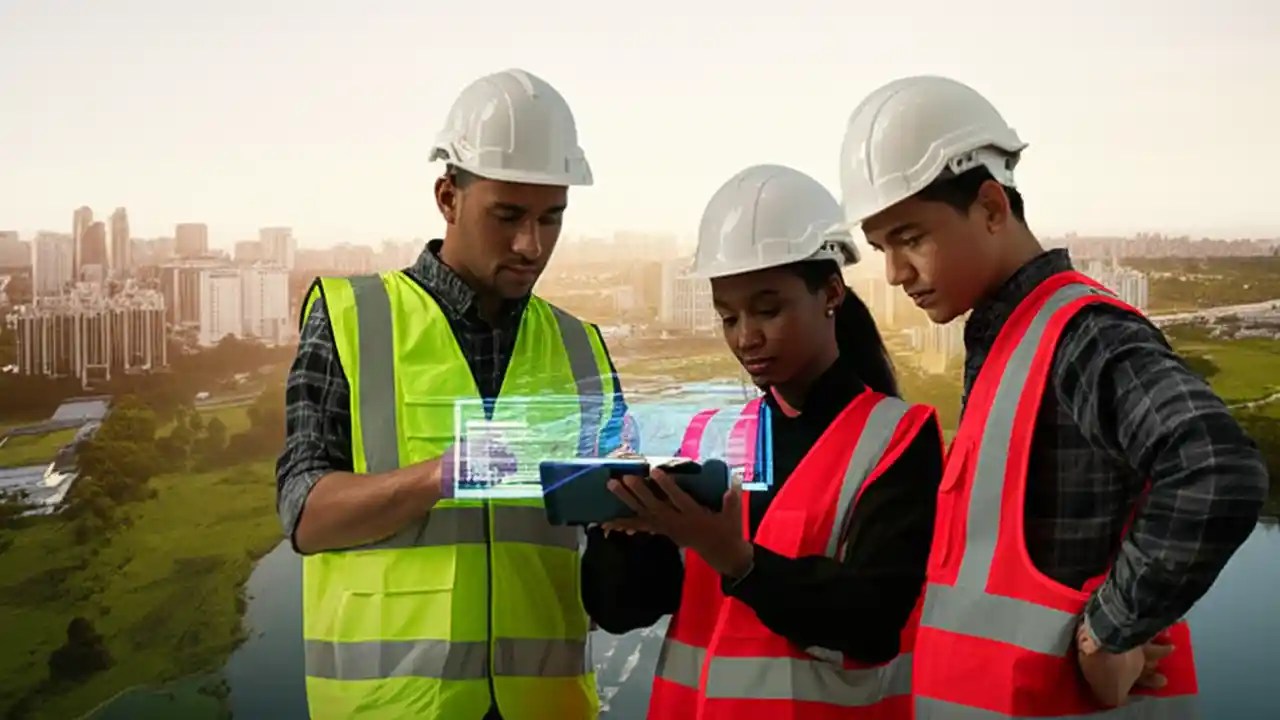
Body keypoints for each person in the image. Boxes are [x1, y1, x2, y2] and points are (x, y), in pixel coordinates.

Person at [838, 75, 1270, 717]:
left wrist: (1108, 633)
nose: (896, 273)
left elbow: (1216, 466)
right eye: (881, 248)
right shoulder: (1010, 343)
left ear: (991, 208)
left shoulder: (1081, 336)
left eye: (910, 238)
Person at [275, 68, 631, 720]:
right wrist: (441, 476)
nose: (531, 245)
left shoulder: (581, 347)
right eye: (508, 216)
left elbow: (617, 584)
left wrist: (649, 527)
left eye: (551, 218)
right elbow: (304, 514)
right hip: (393, 709)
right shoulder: (353, 318)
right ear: (448, 197)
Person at [581, 164, 946, 720]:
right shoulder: (711, 437)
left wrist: (739, 561)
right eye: (728, 317)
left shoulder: (896, 438)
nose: (746, 337)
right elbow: (626, 610)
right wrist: (620, 532)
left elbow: (873, 622)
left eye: (768, 310)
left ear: (830, 292)